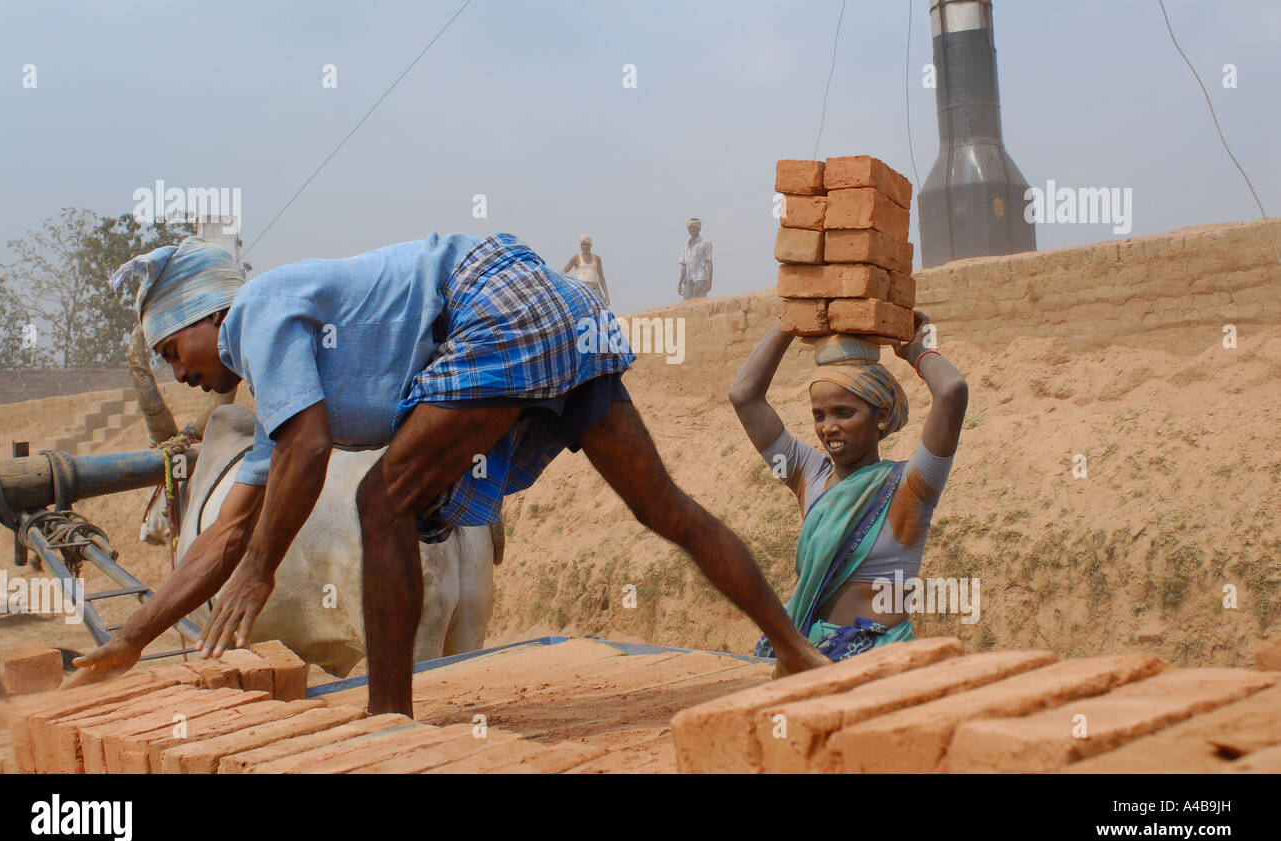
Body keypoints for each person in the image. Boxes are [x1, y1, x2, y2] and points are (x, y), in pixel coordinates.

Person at [67, 233, 827, 713]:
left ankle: (389, 718)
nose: (182, 376)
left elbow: (310, 453)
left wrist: (263, 571)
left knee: (379, 500)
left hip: (492, 301)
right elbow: (229, 530)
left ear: (205, 316)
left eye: (173, 353)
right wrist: (132, 638)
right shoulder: (280, 389)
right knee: (665, 507)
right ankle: (796, 651)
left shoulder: (255, 312)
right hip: (548, 304)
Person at [728, 313, 968, 661]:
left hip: (881, 658)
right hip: (813, 654)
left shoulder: (912, 487)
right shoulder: (808, 476)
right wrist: (791, 321)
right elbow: (744, 396)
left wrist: (916, 351)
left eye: (844, 412)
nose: (829, 428)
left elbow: (952, 390)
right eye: (819, 415)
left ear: (881, 415)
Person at [562, 234, 609, 305]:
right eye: (582, 245)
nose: (584, 246)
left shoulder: (597, 258)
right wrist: (571, 285)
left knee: (602, 308)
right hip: (582, 289)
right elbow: (564, 273)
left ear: (590, 245)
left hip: (595, 288)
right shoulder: (576, 258)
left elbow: (601, 277)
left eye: (586, 244)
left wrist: (606, 295)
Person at [677, 218, 712, 300]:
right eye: (690, 228)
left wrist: (709, 282)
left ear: (699, 229)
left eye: (695, 227)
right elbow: (684, 266)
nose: (692, 230)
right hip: (689, 280)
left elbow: (709, 262)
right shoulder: (686, 245)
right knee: (686, 305)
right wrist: (679, 284)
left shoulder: (705, 243)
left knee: (699, 303)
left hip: (701, 279)